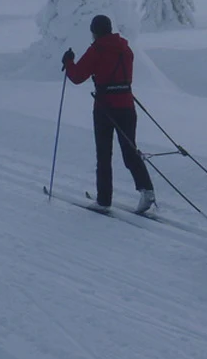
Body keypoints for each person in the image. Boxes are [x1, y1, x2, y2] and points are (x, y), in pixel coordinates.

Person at [62, 15, 156, 214]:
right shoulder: (125, 49)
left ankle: (104, 200)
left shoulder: (97, 49)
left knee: (104, 154)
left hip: (105, 108)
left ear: (95, 31)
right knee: (130, 150)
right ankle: (146, 190)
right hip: (127, 106)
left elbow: (78, 76)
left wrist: (69, 62)